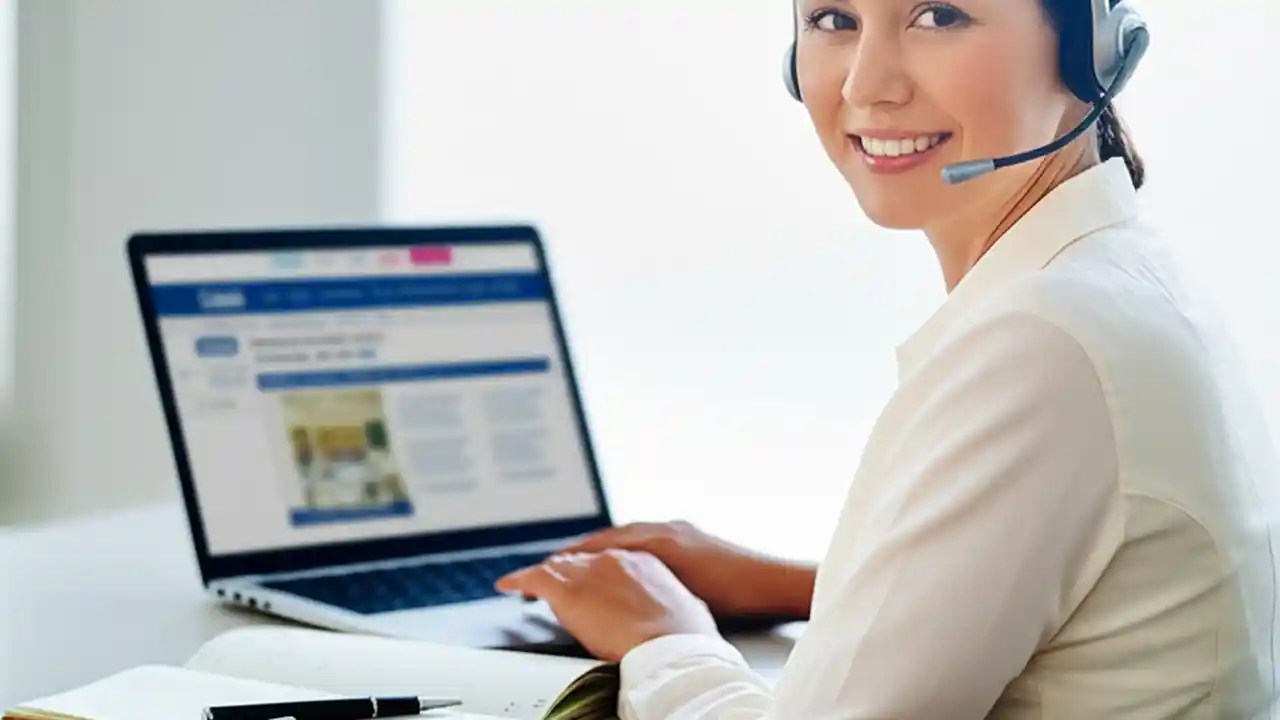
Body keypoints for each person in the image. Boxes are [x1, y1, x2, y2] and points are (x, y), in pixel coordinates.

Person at [496, 0, 1280, 717]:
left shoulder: (1045, 341)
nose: (866, 86)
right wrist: (792, 586)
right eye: (835, 18)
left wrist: (660, 638)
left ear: (1092, 56)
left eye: (939, 15)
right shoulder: (1117, 276)